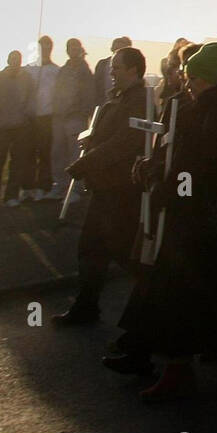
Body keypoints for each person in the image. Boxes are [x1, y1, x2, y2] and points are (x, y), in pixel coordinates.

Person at [111, 41, 217, 400]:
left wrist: (168, 190)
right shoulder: (202, 109)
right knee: (193, 293)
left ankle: (191, 366)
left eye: (191, 78)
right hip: (192, 219)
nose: (186, 83)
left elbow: (202, 171)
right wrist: (158, 174)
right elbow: (179, 158)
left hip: (200, 222)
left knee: (185, 295)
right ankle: (195, 358)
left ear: (204, 79)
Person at [52, 46, 147, 326]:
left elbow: (124, 143)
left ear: (133, 69)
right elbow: (106, 136)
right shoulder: (116, 99)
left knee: (122, 250)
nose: (112, 72)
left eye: (117, 67)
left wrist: (86, 162)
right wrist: (91, 142)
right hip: (105, 186)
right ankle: (87, 307)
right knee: (93, 247)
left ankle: (158, 300)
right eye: (111, 68)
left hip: (121, 189)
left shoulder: (140, 100)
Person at [0, 51, 35, 210]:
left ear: (20, 61)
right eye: (12, 59)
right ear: (8, 60)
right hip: (3, 126)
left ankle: (11, 196)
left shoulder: (27, 78)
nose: (15, 62)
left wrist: (25, 115)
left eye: (17, 60)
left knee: (17, 162)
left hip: (21, 127)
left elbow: (31, 98)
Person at [50, 38, 97, 201]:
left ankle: (75, 189)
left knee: (75, 154)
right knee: (58, 153)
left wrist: (83, 112)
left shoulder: (84, 70)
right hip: (60, 117)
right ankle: (60, 186)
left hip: (76, 118)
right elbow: (57, 91)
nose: (73, 50)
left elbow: (89, 94)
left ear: (80, 49)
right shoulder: (64, 69)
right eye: (70, 47)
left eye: (76, 47)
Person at [22, 36, 60, 206]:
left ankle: (43, 187)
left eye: (47, 46)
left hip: (47, 117)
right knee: (28, 153)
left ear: (51, 48)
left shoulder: (56, 70)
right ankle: (27, 187)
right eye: (41, 47)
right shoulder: (28, 69)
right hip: (29, 118)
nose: (44, 49)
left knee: (45, 153)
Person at [91, 36, 132, 107]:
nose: (117, 52)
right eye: (115, 49)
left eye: (120, 50)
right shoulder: (102, 64)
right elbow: (95, 87)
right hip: (102, 105)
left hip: (122, 105)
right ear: (112, 49)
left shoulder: (131, 66)